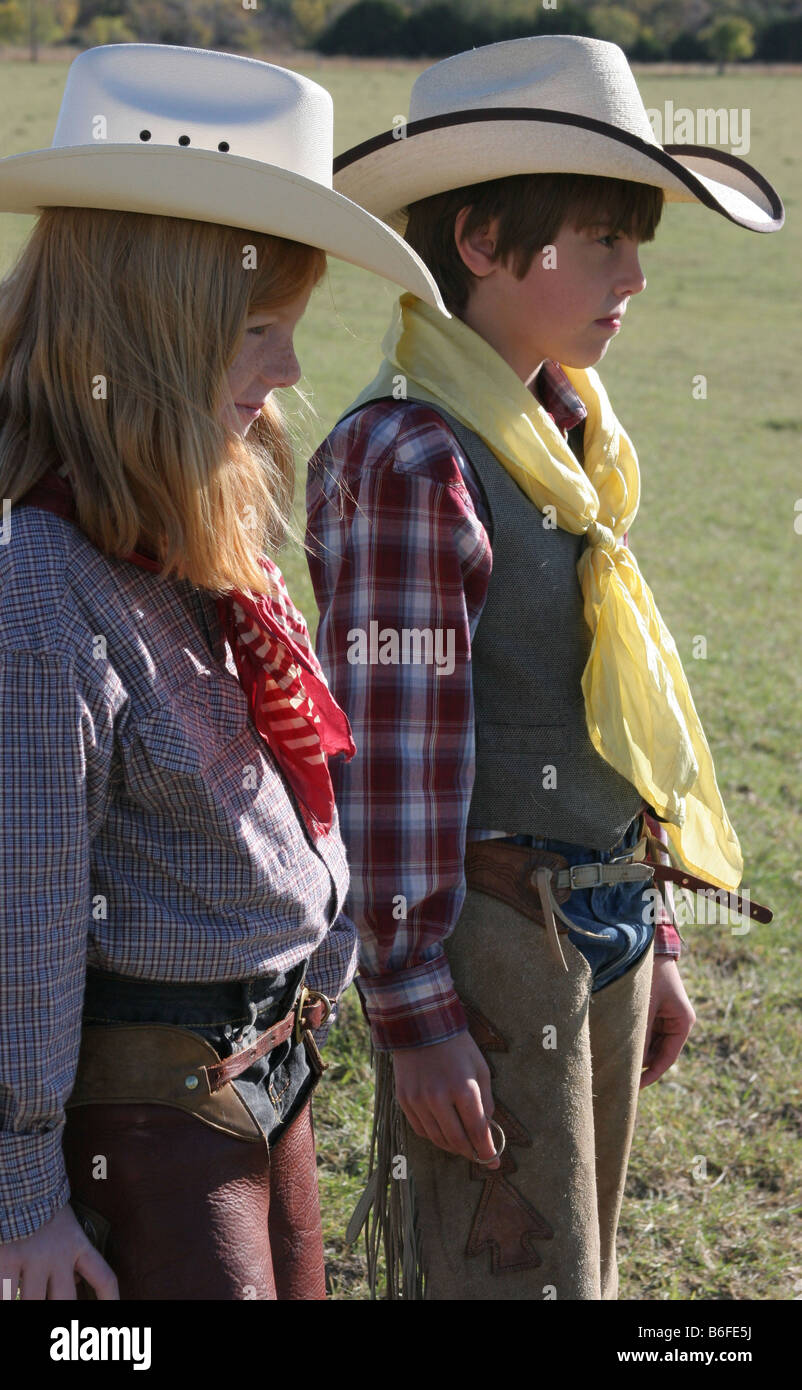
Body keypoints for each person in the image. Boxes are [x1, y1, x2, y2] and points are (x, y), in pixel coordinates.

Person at [306, 35, 780, 1300]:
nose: (634, 278)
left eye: (638, 242)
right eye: (600, 240)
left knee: (590, 1265)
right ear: (478, 241)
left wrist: (657, 926)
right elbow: (392, 762)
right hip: (493, 935)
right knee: (514, 1280)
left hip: (598, 910)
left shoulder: (564, 430)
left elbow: (613, 710)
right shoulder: (414, 456)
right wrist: (414, 1015)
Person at [0, 41, 444, 1301]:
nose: (292, 371)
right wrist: (22, 1200)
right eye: (261, 330)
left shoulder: (196, 509)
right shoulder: (41, 578)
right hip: (145, 1124)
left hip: (254, 1076)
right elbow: (19, 922)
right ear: (149, 333)